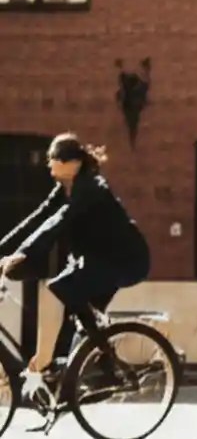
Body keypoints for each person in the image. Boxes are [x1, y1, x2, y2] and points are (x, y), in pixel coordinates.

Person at [0, 133, 150, 408]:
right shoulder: (65, 188)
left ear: (73, 163)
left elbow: (59, 221)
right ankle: (97, 373)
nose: (50, 165)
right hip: (92, 261)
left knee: (55, 290)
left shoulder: (92, 187)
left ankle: (41, 363)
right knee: (78, 318)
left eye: (55, 160)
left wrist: (23, 254)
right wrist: (3, 249)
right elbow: (39, 217)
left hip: (122, 261)